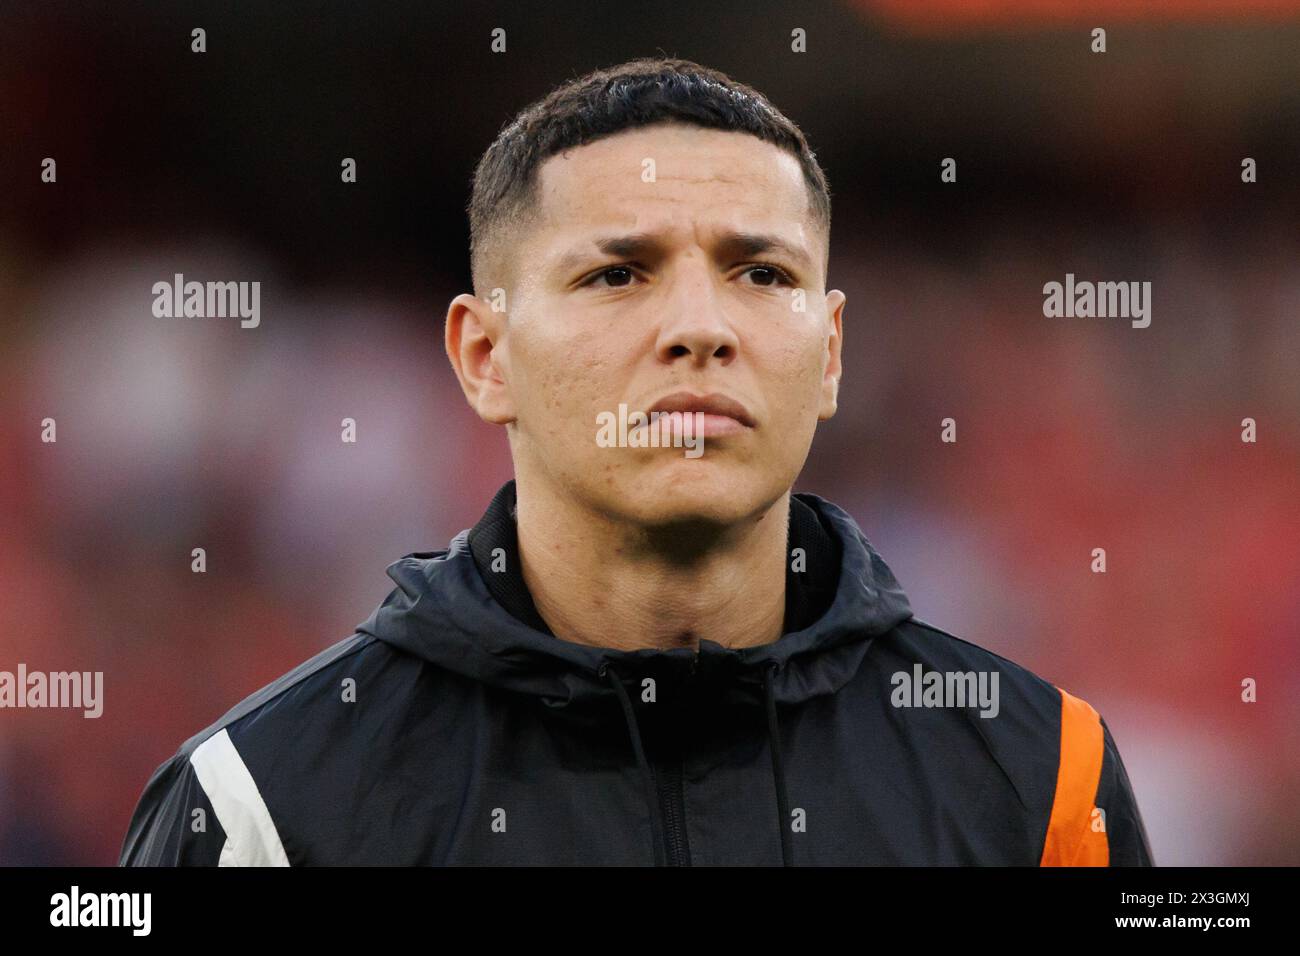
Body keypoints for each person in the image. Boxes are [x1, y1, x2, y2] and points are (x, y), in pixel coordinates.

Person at [120, 57, 1154, 866]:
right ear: (486, 358)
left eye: (760, 271)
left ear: (829, 352)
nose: (699, 329)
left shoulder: (1037, 775)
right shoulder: (260, 804)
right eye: (618, 273)